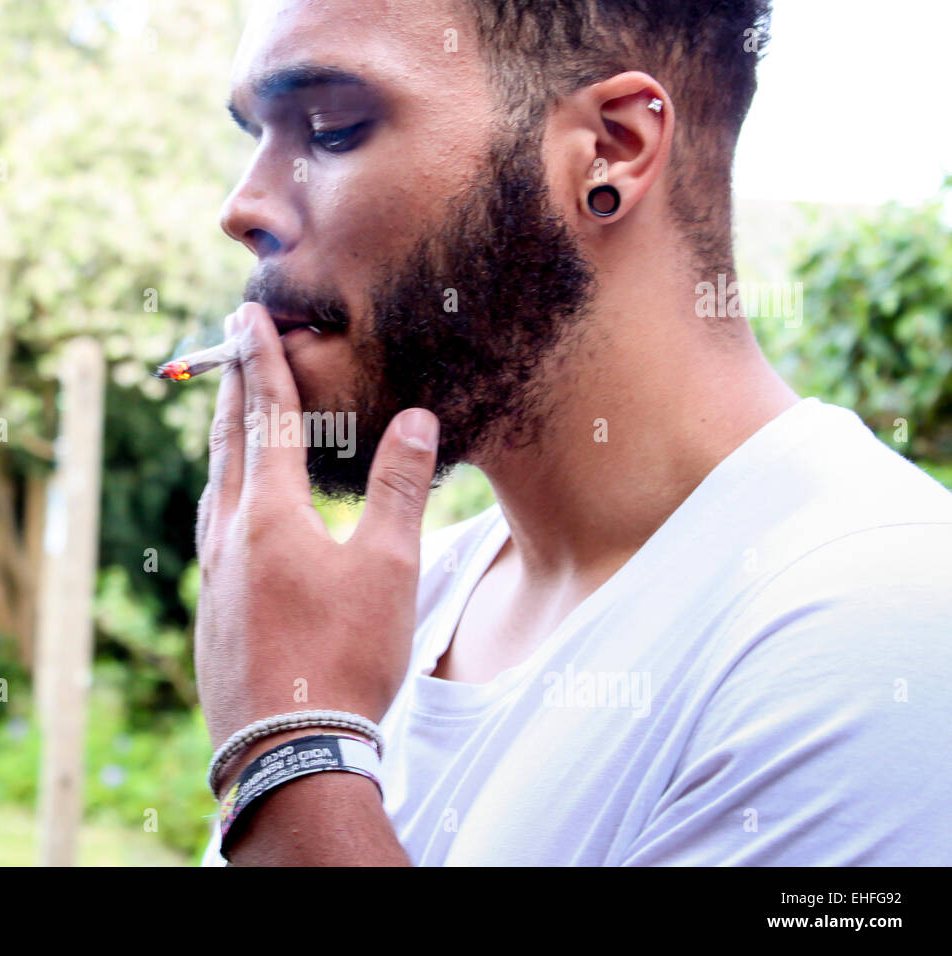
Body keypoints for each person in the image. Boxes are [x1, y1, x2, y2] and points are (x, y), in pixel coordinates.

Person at [192, 0, 952, 865]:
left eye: (331, 128)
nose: (242, 206)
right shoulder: (387, 608)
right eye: (254, 134)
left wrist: (288, 753)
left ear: (611, 148)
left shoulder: (884, 626)